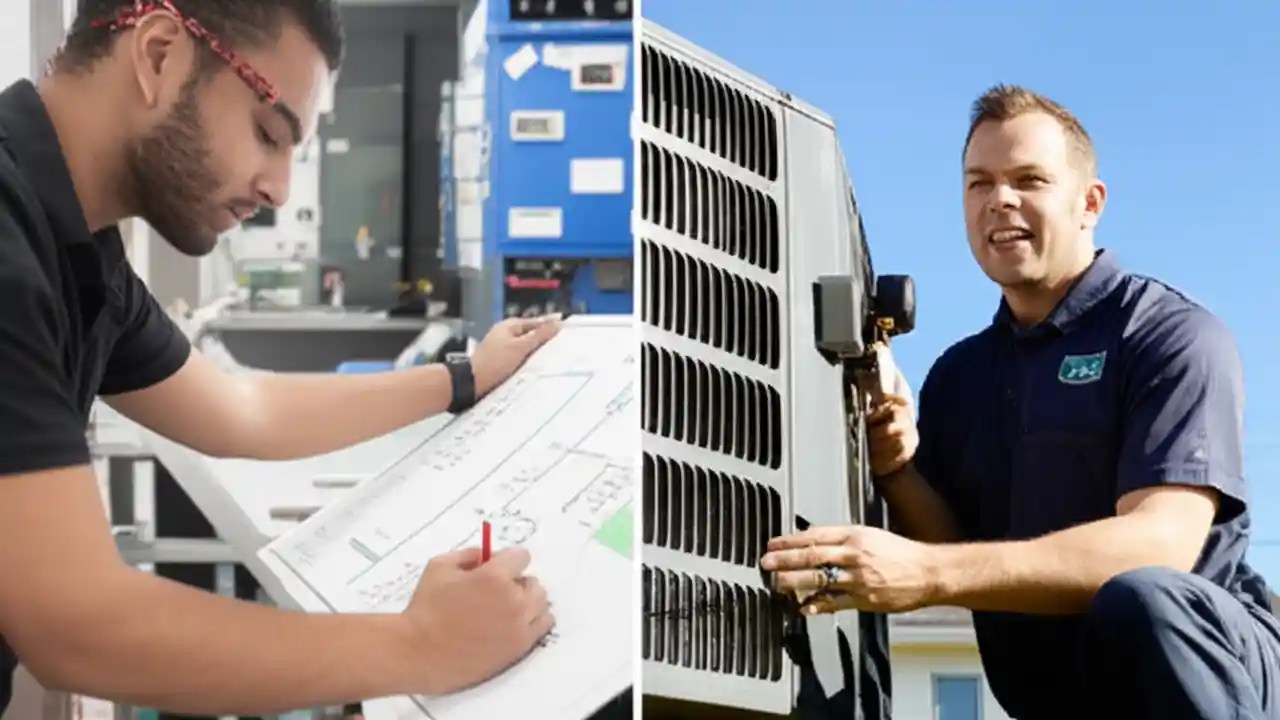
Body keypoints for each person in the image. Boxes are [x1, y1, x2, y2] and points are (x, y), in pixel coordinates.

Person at [0, 1, 563, 715]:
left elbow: (242, 411)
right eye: (269, 132)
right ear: (160, 52)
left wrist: (464, 377)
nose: (278, 189)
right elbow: (77, 627)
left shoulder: (80, 251)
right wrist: (420, 646)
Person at [761, 84, 1280, 720]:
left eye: (1028, 179)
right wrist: (896, 467)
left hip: (1205, 679)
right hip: (1056, 697)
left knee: (1141, 599)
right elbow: (953, 548)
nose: (999, 200)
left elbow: (1158, 546)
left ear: (1089, 203)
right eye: (979, 183)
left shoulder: (1170, 336)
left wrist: (927, 572)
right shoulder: (960, 375)